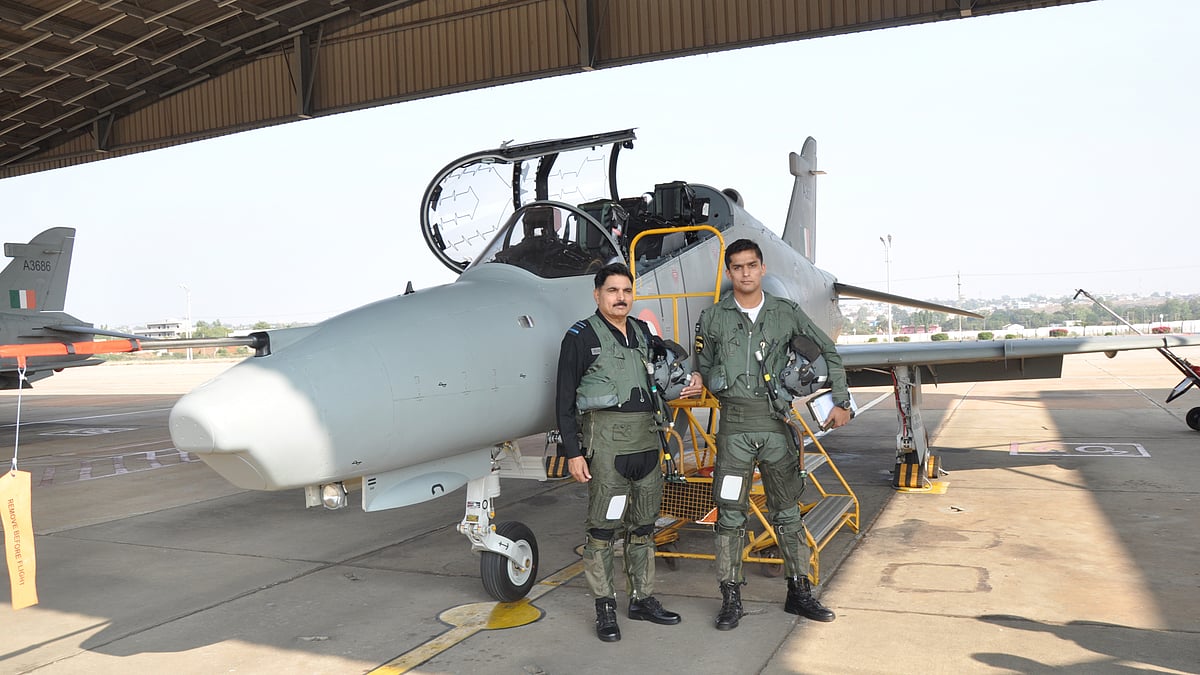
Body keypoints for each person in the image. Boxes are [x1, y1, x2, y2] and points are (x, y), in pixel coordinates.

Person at [694, 238, 852, 630]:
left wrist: (842, 402)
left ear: (762, 269)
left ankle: (799, 593)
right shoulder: (713, 318)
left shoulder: (785, 312)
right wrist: (717, 381)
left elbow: (828, 351)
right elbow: (705, 362)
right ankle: (731, 599)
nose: (745, 273)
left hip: (777, 427)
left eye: (751, 266)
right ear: (729, 273)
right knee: (730, 516)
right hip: (734, 431)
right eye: (737, 267)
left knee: (786, 512)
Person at [555, 262, 703, 642]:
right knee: (603, 531)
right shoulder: (580, 337)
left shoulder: (643, 332)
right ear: (597, 294)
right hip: (606, 444)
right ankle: (605, 607)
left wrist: (688, 384)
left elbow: (664, 377)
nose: (620, 298)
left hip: (647, 442)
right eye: (612, 291)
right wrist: (573, 452)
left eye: (626, 291)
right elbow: (564, 401)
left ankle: (642, 598)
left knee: (643, 527)